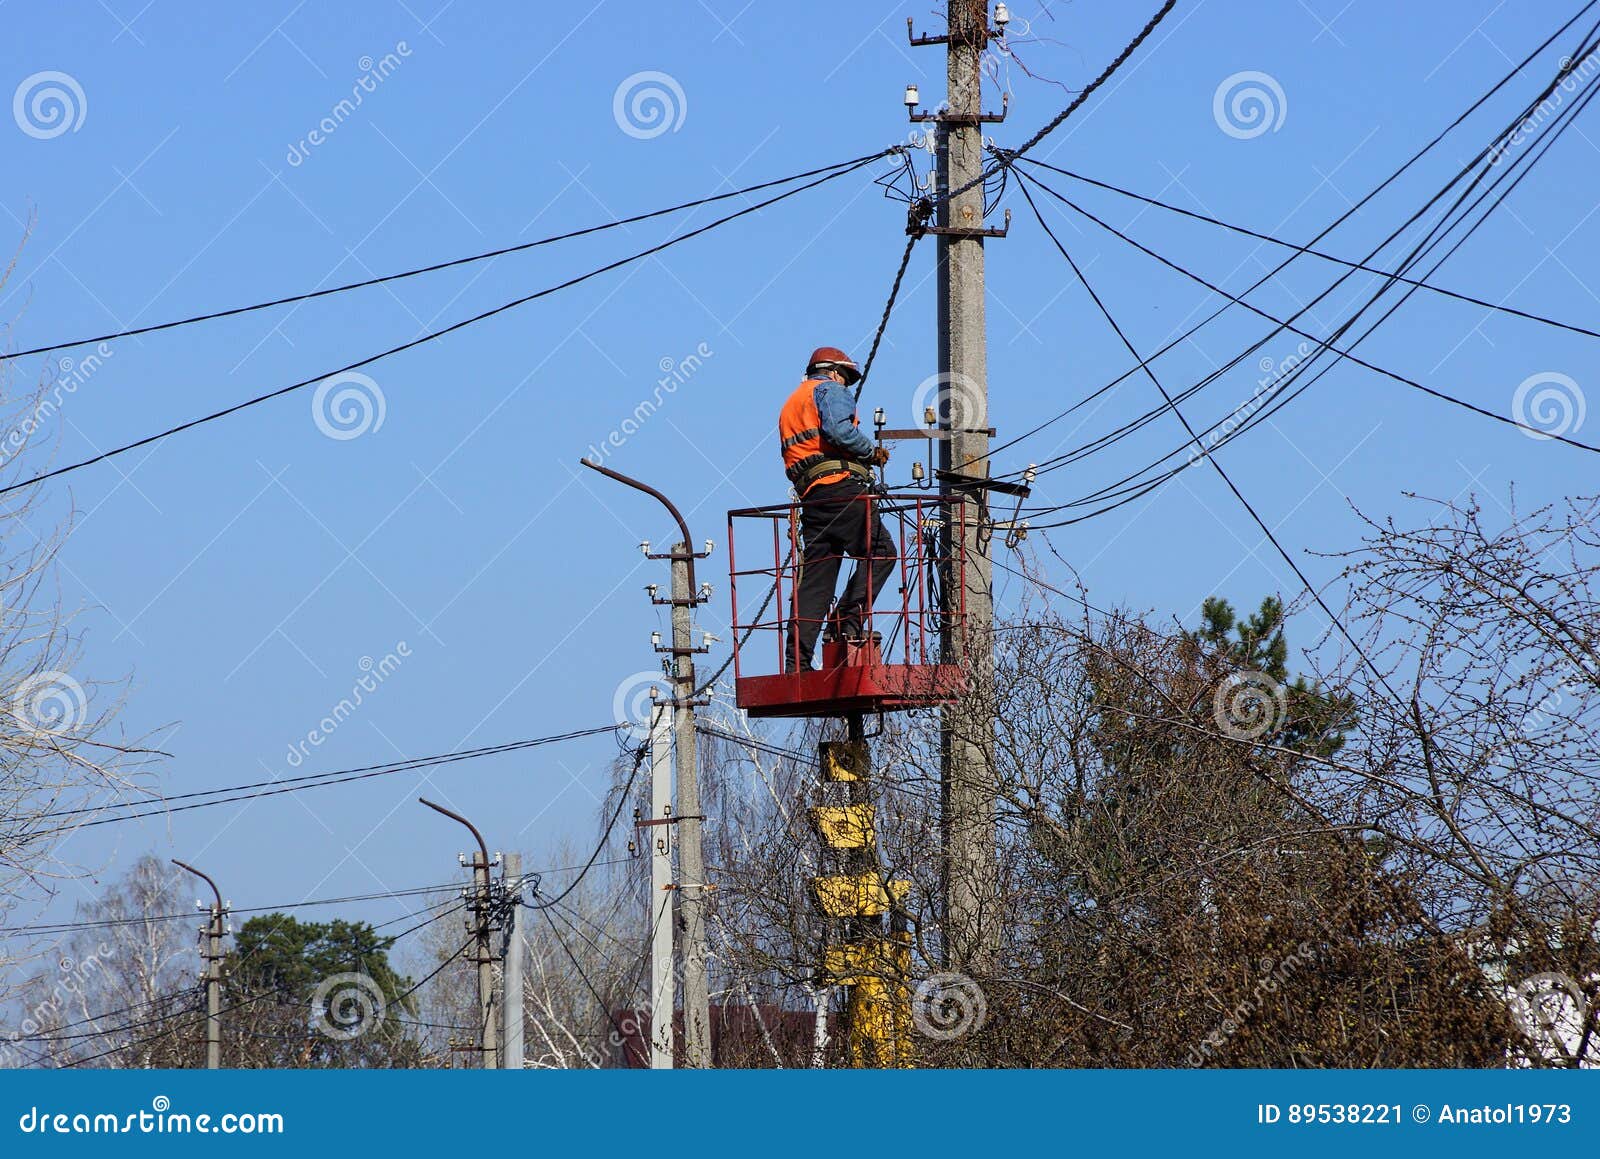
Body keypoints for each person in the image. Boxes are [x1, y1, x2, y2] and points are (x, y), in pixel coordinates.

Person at [778, 345, 896, 672]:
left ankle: (797, 665)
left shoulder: (792, 403)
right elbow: (838, 431)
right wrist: (870, 452)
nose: (846, 384)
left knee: (816, 579)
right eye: (845, 377)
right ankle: (846, 621)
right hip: (841, 487)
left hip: (813, 499)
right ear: (832, 371)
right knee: (883, 551)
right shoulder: (829, 389)